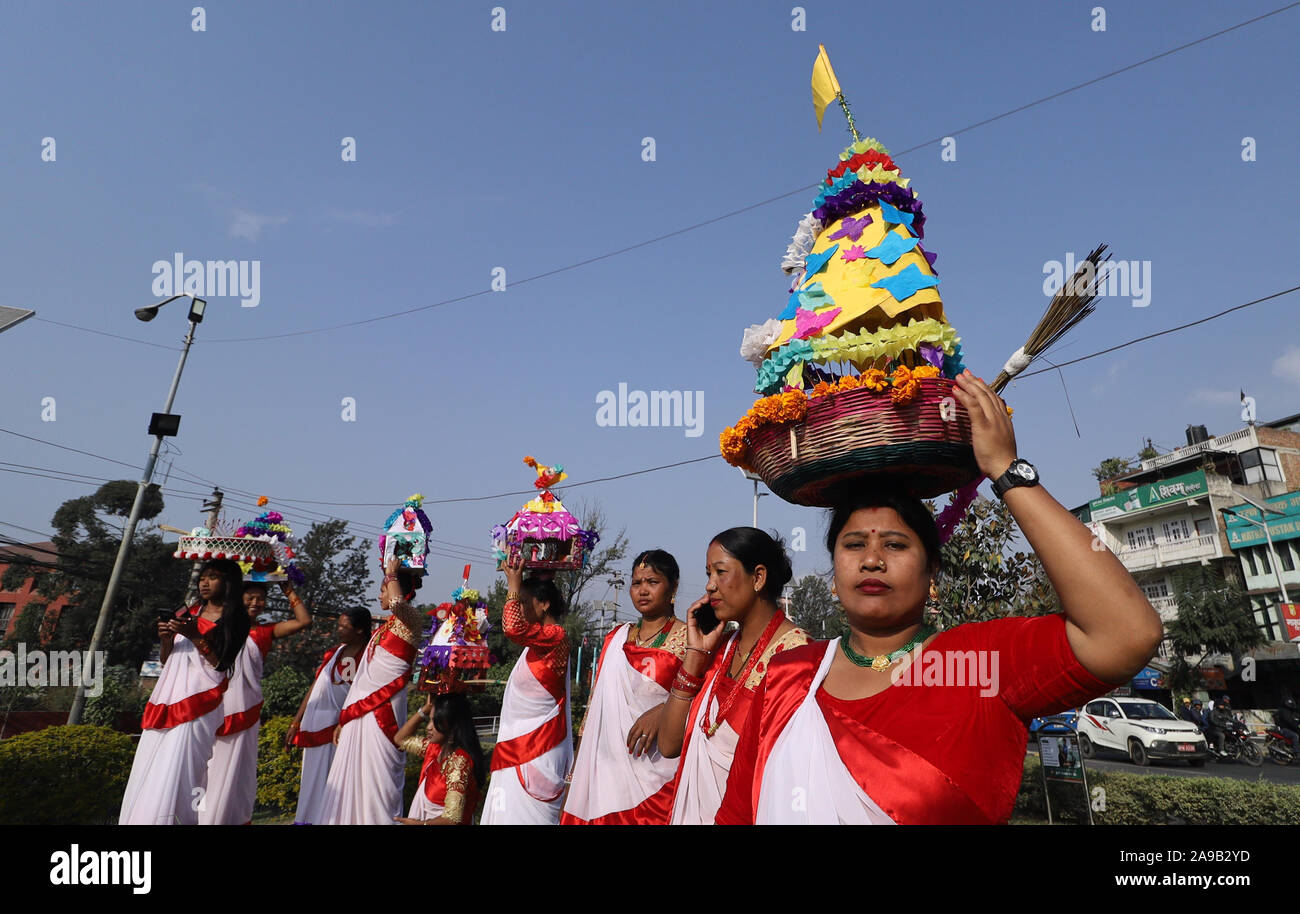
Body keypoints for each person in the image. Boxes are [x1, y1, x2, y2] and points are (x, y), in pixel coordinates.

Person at [716, 370, 1164, 824]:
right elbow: (736, 814)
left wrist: (1007, 471)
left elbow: (1127, 634)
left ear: (932, 575)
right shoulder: (788, 675)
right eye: (854, 545)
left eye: (895, 544)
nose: (872, 560)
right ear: (833, 577)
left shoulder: (977, 664)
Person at [657, 528, 809, 825]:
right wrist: (694, 656)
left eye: (720, 572)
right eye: (708, 573)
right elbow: (668, 744)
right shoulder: (723, 648)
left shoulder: (794, 655)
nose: (710, 586)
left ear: (758, 578)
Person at [561, 549, 688, 825]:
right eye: (636, 583)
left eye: (652, 582)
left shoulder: (691, 639)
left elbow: (703, 698)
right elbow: (595, 709)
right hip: (609, 772)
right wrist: (576, 775)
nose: (642, 590)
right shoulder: (617, 638)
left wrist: (664, 710)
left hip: (661, 775)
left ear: (673, 587)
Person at [119, 560, 252, 825]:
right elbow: (169, 661)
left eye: (212, 577)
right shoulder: (188, 611)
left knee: (185, 769)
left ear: (228, 582)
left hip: (200, 702)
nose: (204, 582)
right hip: (167, 700)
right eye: (202, 577)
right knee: (151, 766)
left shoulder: (237, 619)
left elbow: (221, 663)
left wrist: (196, 636)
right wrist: (167, 638)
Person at [197, 579, 312, 825]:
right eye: (250, 597)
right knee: (208, 767)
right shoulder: (220, 627)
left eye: (260, 599)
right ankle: (201, 817)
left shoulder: (263, 632)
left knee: (239, 771)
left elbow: (304, 621)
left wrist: (288, 588)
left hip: (246, 712)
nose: (256, 603)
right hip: (215, 708)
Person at [320, 557, 424, 825]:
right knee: (351, 778)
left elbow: (399, 604)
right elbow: (363, 680)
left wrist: (390, 573)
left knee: (379, 780)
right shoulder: (384, 629)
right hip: (360, 714)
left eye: (384, 589)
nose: (380, 594)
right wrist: (345, 719)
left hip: (384, 712)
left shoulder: (412, 621)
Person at [481, 553, 573, 825]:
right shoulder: (535, 645)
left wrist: (513, 583)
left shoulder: (556, 636)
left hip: (536, 750)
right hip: (515, 749)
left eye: (523, 602)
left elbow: (511, 628)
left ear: (544, 604)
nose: (518, 608)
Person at [287, 608, 372, 825]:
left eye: (345, 626)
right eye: (339, 625)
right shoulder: (334, 653)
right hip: (316, 724)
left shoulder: (368, 656)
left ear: (360, 630)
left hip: (344, 728)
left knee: (338, 781)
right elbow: (316, 686)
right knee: (312, 778)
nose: (339, 630)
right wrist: (296, 721)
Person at [393, 693, 487, 825]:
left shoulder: (459, 762)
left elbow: (452, 819)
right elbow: (400, 740)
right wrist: (425, 709)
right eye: (429, 720)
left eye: (435, 722)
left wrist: (421, 824)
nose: (428, 727)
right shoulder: (434, 749)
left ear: (452, 727)